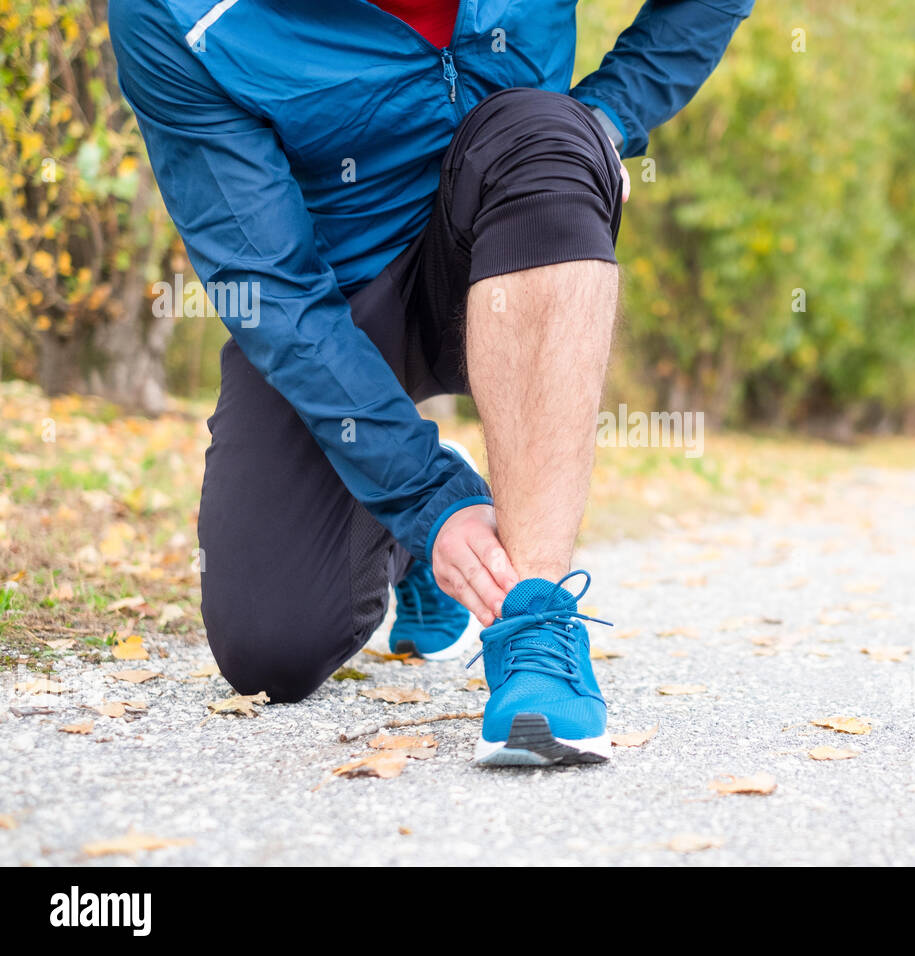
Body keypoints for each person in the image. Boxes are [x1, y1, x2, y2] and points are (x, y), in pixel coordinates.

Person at [108, 0, 752, 765]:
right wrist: (426, 501)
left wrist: (609, 118)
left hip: (513, 218)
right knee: (270, 645)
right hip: (334, 306)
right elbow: (271, 291)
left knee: (549, 134)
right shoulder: (170, 14)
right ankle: (413, 535)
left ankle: (534, 626)